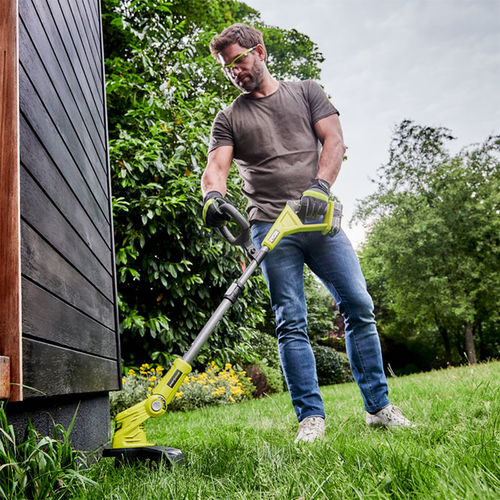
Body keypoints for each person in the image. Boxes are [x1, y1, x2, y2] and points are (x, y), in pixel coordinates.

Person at [201, 23, 412, 443]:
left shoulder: (307, 92)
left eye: (239, 61)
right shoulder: (229, 118)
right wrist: (212, 197)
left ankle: (378, 408)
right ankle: (310, 418)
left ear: (260, 52)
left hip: (317, 217)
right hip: (270, 226)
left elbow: (334, 141)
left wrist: (320, 185)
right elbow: (217, 168)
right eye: (227, 68)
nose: (234, 72)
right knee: (290, 320)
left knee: (358, 303)